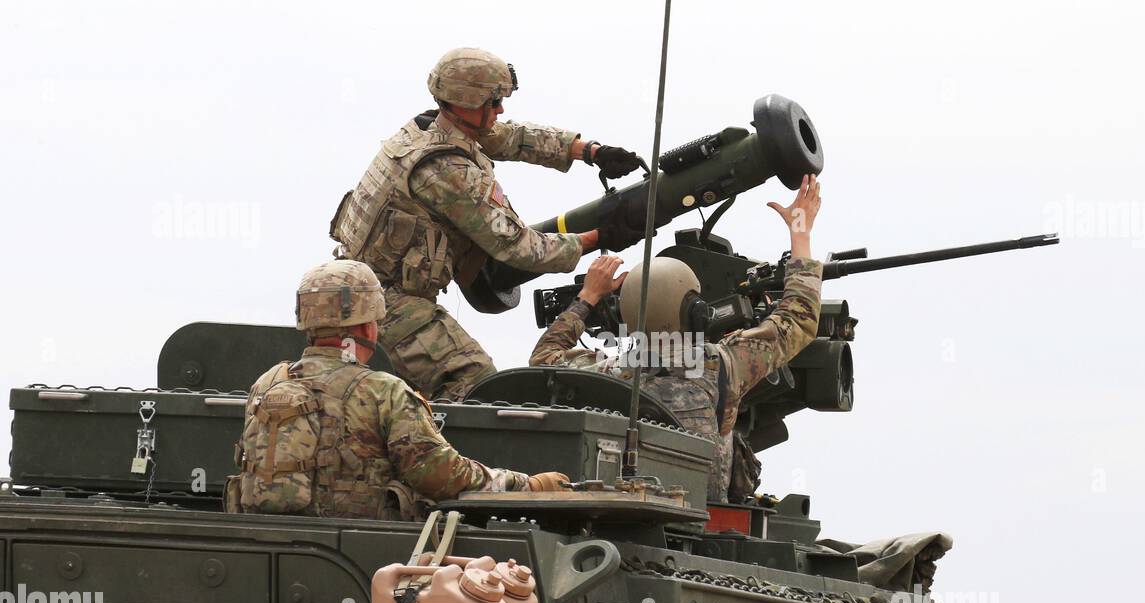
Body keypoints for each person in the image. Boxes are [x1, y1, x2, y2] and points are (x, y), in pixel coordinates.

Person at [329, 47, 645, 402]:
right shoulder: (447, 170)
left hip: (358, 286)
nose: (501, 110)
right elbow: (517, 245)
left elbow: (511, 138)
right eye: (494, 102)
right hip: (385, 301)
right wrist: (598, 237)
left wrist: (588, 151)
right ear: (468, 102)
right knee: (478, 386)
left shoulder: (431, 127)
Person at [530, 175, 824, 503]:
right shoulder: (721, 364)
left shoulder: (609, 370)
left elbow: (544, 360)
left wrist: (588, 297)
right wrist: (800, 231)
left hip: (628, 507)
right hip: (702, 513)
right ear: (695, 311)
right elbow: (799, 318)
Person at [232, 260, 567, 520]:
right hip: (363, 553)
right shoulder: (385, 392)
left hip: (269, 543)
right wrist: (529, 485)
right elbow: (445, 476)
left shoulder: (268, 382)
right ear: (368, 324)